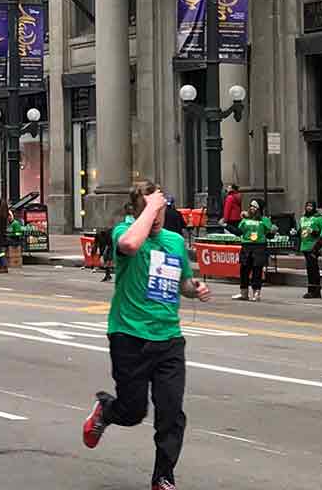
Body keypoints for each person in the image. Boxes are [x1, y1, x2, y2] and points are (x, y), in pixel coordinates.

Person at [82, 181, 211, 490]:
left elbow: (182, 283)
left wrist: (195, 289)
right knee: (133, 411)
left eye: (160, 210)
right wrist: (151, 206)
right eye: (150, 210)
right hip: (130, 336)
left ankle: (163, 477)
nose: (156, 218)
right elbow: (129, 246)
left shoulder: (174, 241)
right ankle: (106, 410)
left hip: (168, 338)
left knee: (171, 413)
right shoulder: (123, 232)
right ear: (136, 211)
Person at [233, 200, 275, 301]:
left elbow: (269, 235)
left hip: (259, 247)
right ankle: (244, 293)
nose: (252, 208)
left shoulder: (264, 220)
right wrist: (226, 225)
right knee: (244, 270)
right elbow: (239, 231)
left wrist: (273, 231)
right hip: (246, 246)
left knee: (257, 270)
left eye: (254, 207)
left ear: (259, 209)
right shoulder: (245, 220)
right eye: (251, 206)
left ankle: (256, 293)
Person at [296, 201, 322, 299]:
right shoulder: (303, 218)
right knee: (309, 269)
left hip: (313, 246)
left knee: (313, 269)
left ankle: (315, 291)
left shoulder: (318, 218)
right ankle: (311, 290)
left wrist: (313, 232)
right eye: (307, 206)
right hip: (305, 246)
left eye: (311, 206)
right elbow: (301, 230)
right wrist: (296, 232)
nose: (309, 208)